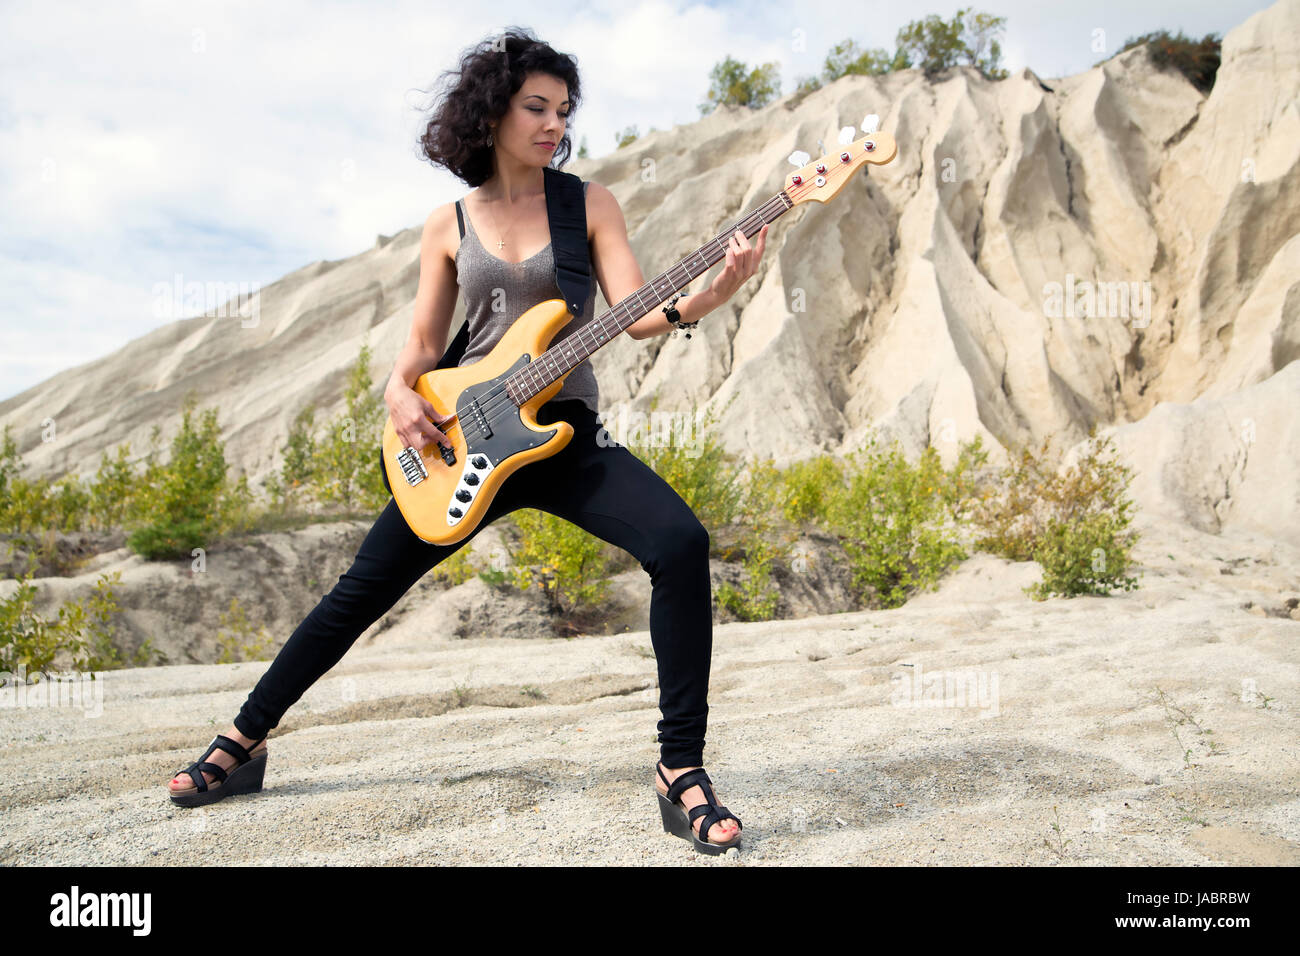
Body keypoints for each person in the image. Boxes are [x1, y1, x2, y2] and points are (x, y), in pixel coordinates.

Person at [166, 27, 768, 854]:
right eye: (538, 107)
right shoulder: (447, 224)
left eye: (564, 110)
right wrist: (395, 391)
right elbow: (420, 342)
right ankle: (245, 739)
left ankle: (680, 768)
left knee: (680, 541)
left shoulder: (588, 204)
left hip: (561, 434)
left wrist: (719, 288)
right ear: (493, 111)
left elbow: (638, 315)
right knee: (358, 594)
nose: (555, 123)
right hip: (462, 438)